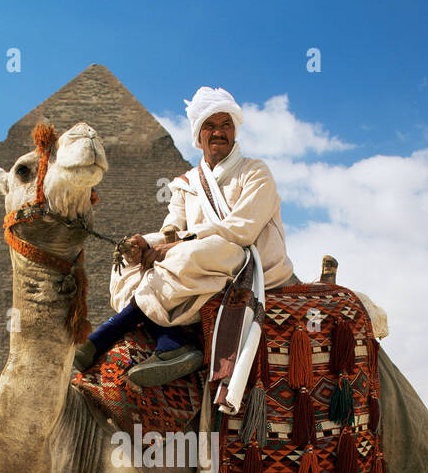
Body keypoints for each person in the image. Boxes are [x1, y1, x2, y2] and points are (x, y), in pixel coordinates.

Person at [74, 85, 296, 388]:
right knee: (129, 259)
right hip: (195, 260)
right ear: (198, 135)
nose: (218, 132)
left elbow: (242, 230)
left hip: (249, 261)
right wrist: (145, 245)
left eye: (225, 125)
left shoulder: (256, 172)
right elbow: (172, 227)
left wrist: (177, 244)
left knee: (190, 253)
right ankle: (171, 340)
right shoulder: (186, 184)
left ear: (234, 130)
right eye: (210, 126)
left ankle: (109, 333)